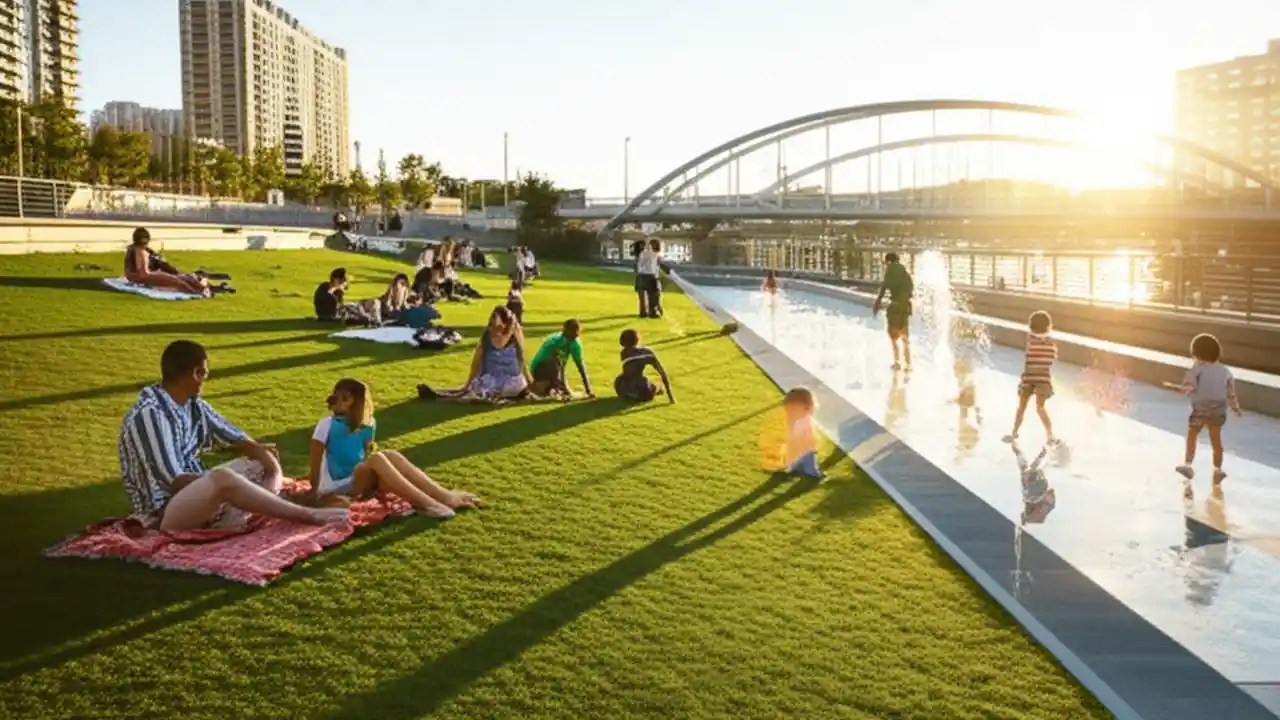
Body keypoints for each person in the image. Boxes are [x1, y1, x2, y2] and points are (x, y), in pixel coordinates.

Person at [118, 340, 348, 530]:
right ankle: (308, 515)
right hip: (165, 512)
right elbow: (174, 481)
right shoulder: (149, 415)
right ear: (197, 373)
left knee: (258, 460)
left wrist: (262, 456)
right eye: (205, 373)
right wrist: (226, 489)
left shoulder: (192, 405)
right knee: (223, 478)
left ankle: (247, 510)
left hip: (199, 494)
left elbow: (237, 438)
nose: (206, 380)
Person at [310, 379, 481, 516]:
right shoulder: (326, 425)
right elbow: (315, 462)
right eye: (334, 397)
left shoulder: (368, 425)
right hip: (335, 487)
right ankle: (429, 504)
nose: (336, 402)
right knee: (377, 458)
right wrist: (316, 495)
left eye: (345, 398)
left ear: (357, 402)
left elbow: (362, 456)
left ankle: (444, 496)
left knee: (389, 455)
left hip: (359, 481)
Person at [418, 306, 533, 402]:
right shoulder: (489, 336)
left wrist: (530, 382)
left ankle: (439, 397)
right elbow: (477, 361)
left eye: (496, 318)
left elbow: (522, 359)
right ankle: (437, 393)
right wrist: (468, 383)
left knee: (469, 395)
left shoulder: (514, 335)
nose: (493, 322)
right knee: (464, 390)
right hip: (492, 380)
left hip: (510, 383)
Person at [1174, 333, 1242, 483]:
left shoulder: (1197, 368)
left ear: (1196, 353)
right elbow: (1230, 392)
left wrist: (1184, 389)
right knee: (1216, 439)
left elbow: (1190, 386)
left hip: (1201, 410)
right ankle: (1218, 469)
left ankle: (1188, 465)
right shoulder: (1225, 371)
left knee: (1192, 435)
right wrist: (1235, 408)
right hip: (1218, 410)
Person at [1004, 311, 1058, 445]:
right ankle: (1049, 435)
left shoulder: (1030, 339)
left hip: (1031, 378)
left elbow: (1031, 354)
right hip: (1039, 378)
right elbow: (1052, 357)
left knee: (1022, 407)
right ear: (1048, 326)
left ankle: (1015, 432)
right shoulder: (1049, 342)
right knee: (1039, 407)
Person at [125, 227, 210, 296]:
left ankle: (202, 288)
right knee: (176, 280)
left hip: (146, 275)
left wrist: (172, 270)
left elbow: (156, 261)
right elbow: (142, 273)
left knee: (183, 277)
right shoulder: (137, 251)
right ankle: (197, 293)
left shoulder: (143, 249)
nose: (145, 244)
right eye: (144, 242)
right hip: (142, 277)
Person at [529, 319, 594, 398]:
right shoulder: (554, 341)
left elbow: (580, 366)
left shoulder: (575, 344)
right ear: (564, 330)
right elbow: (556, 365)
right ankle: (555, 389)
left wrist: (588, 389)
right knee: (555, 363)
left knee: (557, 365)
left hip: (552, 370)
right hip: (539, 370)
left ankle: (557, 389)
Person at [871, 252, 914, 370]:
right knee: (905, 336)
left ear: (889, 262)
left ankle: (897, 362)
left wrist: (877, 303)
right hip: (905, 307)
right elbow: (911, 289)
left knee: (893, 336)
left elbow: (884, 288)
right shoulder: (905, 272)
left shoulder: (890, 270)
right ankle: (909, 364)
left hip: (895, 307)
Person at [614, 329, 674, 403]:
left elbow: (629, 373)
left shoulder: (624, 353)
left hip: (626, 389)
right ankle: (657, 388)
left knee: (620, 380)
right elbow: (662, 373)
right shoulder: (648, 352)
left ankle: (656, 388)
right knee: (645, 383)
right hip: (645, 391)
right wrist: (671, 397)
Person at [782, 387, 823, 479]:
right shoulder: (803, 416)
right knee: (809, 460)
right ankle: (813, 473)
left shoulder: (793, 415)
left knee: (795, 457)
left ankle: (794, 468)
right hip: (805, 444)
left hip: (795, 443)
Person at [635, 238, 664, 318]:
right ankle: (653, 312)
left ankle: (643, 312)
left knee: (642, 297)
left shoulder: (642, 253)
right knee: (652, 295)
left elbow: (639, 264)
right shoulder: (656, 255)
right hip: (651, 275)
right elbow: (656, 267)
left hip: (641, 275)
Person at [631, 240, 649, 317]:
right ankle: (643, 311)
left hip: (643, 276)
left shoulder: (642, 255)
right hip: (641, 276)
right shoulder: (639, 255)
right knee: (642, 295)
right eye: (642, 245)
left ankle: (644, 311)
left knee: (644, 295)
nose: (643, 247)